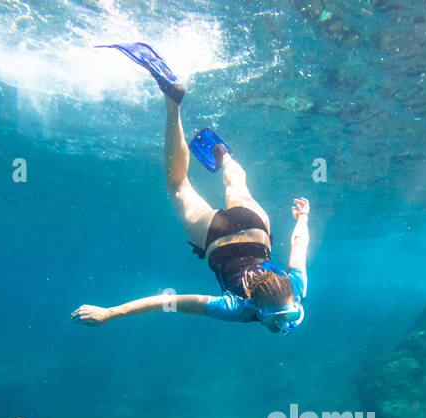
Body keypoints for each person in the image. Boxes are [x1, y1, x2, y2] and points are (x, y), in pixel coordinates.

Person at [73, 43, 310, 335]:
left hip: (255, 227)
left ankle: (223, 157)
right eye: (281, 320)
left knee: (237, 182)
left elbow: (299, 245)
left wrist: (303, 218)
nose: (283, 325)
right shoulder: (235, 309)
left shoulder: (297, 286)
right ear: (260, 311)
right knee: (177, 184)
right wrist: (111, 313)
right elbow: (169, 301)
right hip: (214, 236)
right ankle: (173, 104)